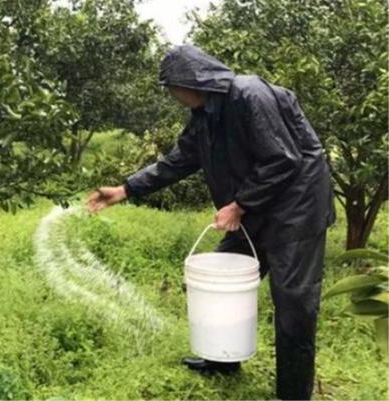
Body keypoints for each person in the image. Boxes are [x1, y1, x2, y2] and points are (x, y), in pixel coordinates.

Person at [85, 45, 335, 400]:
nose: (173, 96)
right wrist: (125, 190)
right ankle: (223, 358)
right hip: (255, 207)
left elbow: (283, 159)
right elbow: (178, 161)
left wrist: (239, 204)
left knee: (293, 304)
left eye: (173, 87)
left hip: (296, 209)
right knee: (221, 279)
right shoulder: (204, 116)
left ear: (193, 80)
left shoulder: (249, 94)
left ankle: (293, 394)